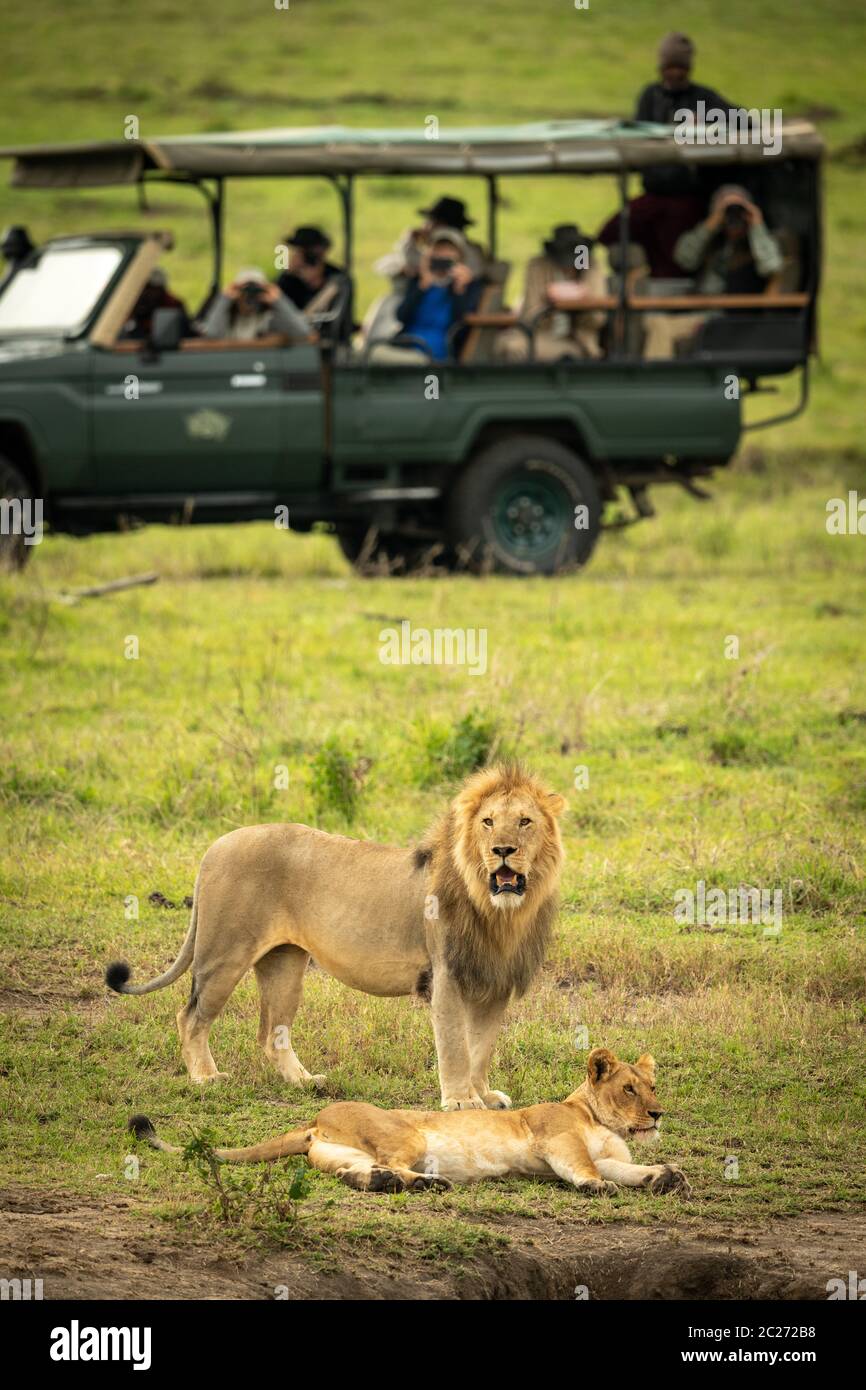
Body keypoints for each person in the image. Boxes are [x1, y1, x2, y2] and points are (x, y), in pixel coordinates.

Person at [642, 186, 784, 360]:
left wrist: (756, 225)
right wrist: (712, 223)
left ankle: (659, 384)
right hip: (702, 313)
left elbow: (771, 267)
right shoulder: (712, 243)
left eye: (739, 209)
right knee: (656, 322)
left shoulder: (760, 243)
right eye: (727, 210)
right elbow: (684, 258)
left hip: (736, 319)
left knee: (659, 325)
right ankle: (660, 383)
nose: (733, 216)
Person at [635, 33, 735, 198]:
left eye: (679, 68)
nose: (675, 73)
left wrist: (704, 117)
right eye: (670, 67)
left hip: (691, 193)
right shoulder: (650, 96)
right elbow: (638, 131)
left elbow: (742, 118)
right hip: (654, 192)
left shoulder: (703, 97)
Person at [369, 229, 483, 364]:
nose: (442, 256)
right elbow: (401, 316)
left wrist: (460, 290)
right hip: (407, 342)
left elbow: (461, 324)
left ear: (459, 257)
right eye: (438, 250)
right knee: (375, 353)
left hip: (437, 348)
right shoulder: (419, 282)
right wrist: (422, 286)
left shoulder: (467, 286)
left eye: (448, 251)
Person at [496, 224, 607, 362]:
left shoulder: (587, 265)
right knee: (507, 344)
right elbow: (531, 314)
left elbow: (597, 317)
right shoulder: (539, 266)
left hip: (578, 339)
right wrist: (551, 300)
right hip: (543, 333)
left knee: (515, 347)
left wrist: (576, 299)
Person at [374, 195, 486, 286]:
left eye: (431, 222)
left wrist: (410, 240)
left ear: (442, 226)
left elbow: (414, 261)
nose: (425, 226)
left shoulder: (465, 252)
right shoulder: (471, 249)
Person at [596, 192, 705, 279]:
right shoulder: (644, 206)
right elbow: (606, 235)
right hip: (652, 280)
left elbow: (686, 258)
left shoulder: (645, 205)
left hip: (687, 279)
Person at [201, 267, 310, 342]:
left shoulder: (269, 320)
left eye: (256, 290)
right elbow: (211, 335)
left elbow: (302, 332)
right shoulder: (225, 319)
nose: (250, 295)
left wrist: (279, 301)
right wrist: (224, 300)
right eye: (245, 289)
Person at [122, 268, 191, 340]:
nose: (144, 293)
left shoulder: (173, 305)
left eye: (149, 288)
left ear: (161, 289)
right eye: (142, 289)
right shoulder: (130, 304)